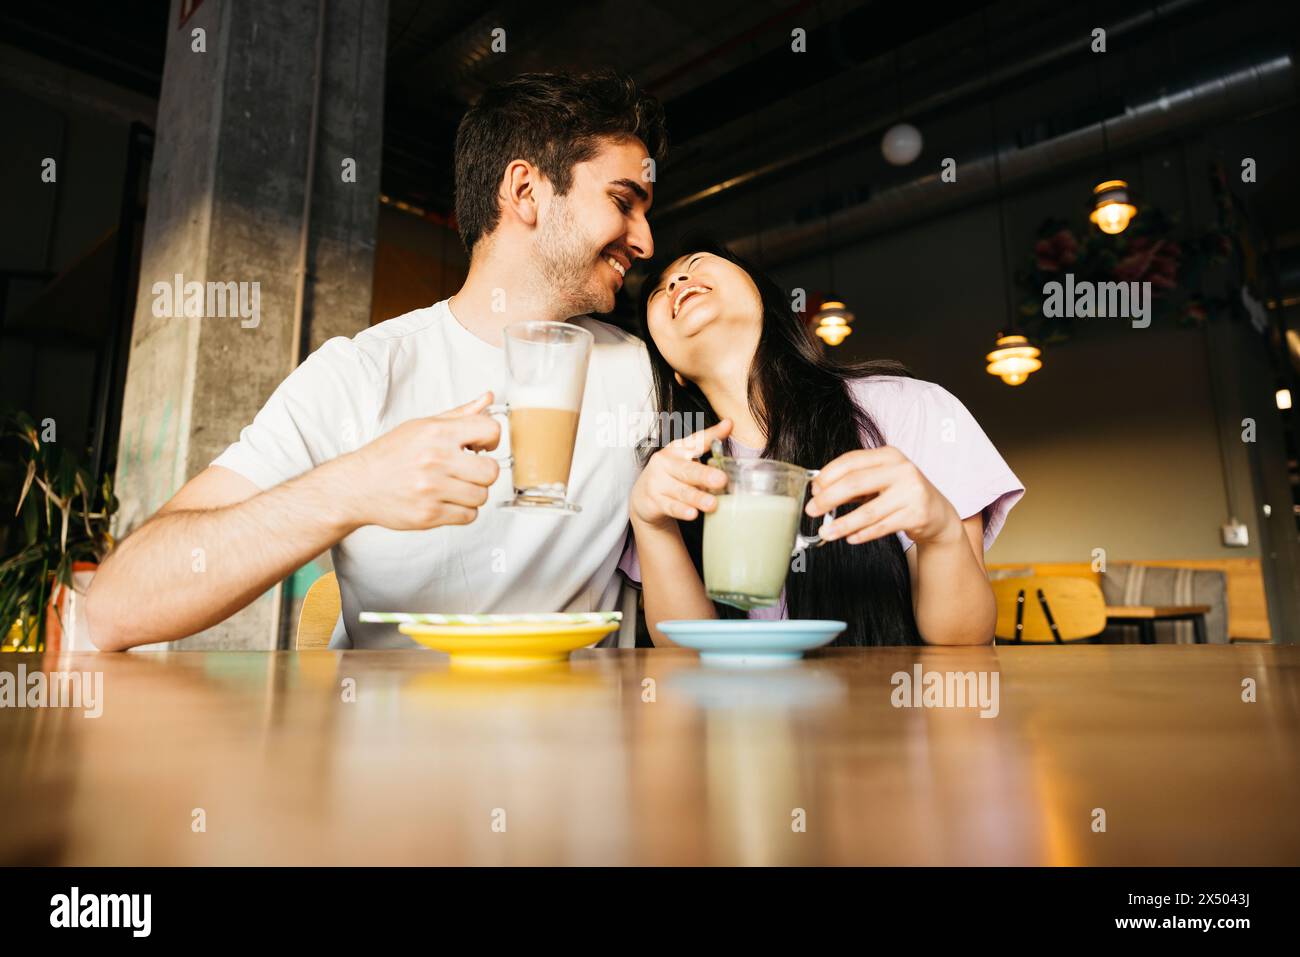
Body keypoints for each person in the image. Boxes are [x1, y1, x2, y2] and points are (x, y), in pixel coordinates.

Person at [87, 70, 667, 650]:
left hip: (581, 735)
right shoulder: (361, 373)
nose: (644, 242)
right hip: (388, 736)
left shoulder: (642, 373)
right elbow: (116, 608)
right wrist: (350, 488)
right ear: (524, 192)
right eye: (622, 202)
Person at [621, 237, 1024, 646]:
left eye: (697, 262)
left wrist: (941, 532)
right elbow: (686, 655)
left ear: (765, 300)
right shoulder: (671, 476)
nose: (678, 281)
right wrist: (651, 524)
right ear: (676, 374)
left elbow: (964, 638)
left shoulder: (914, 409)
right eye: (659, 290)